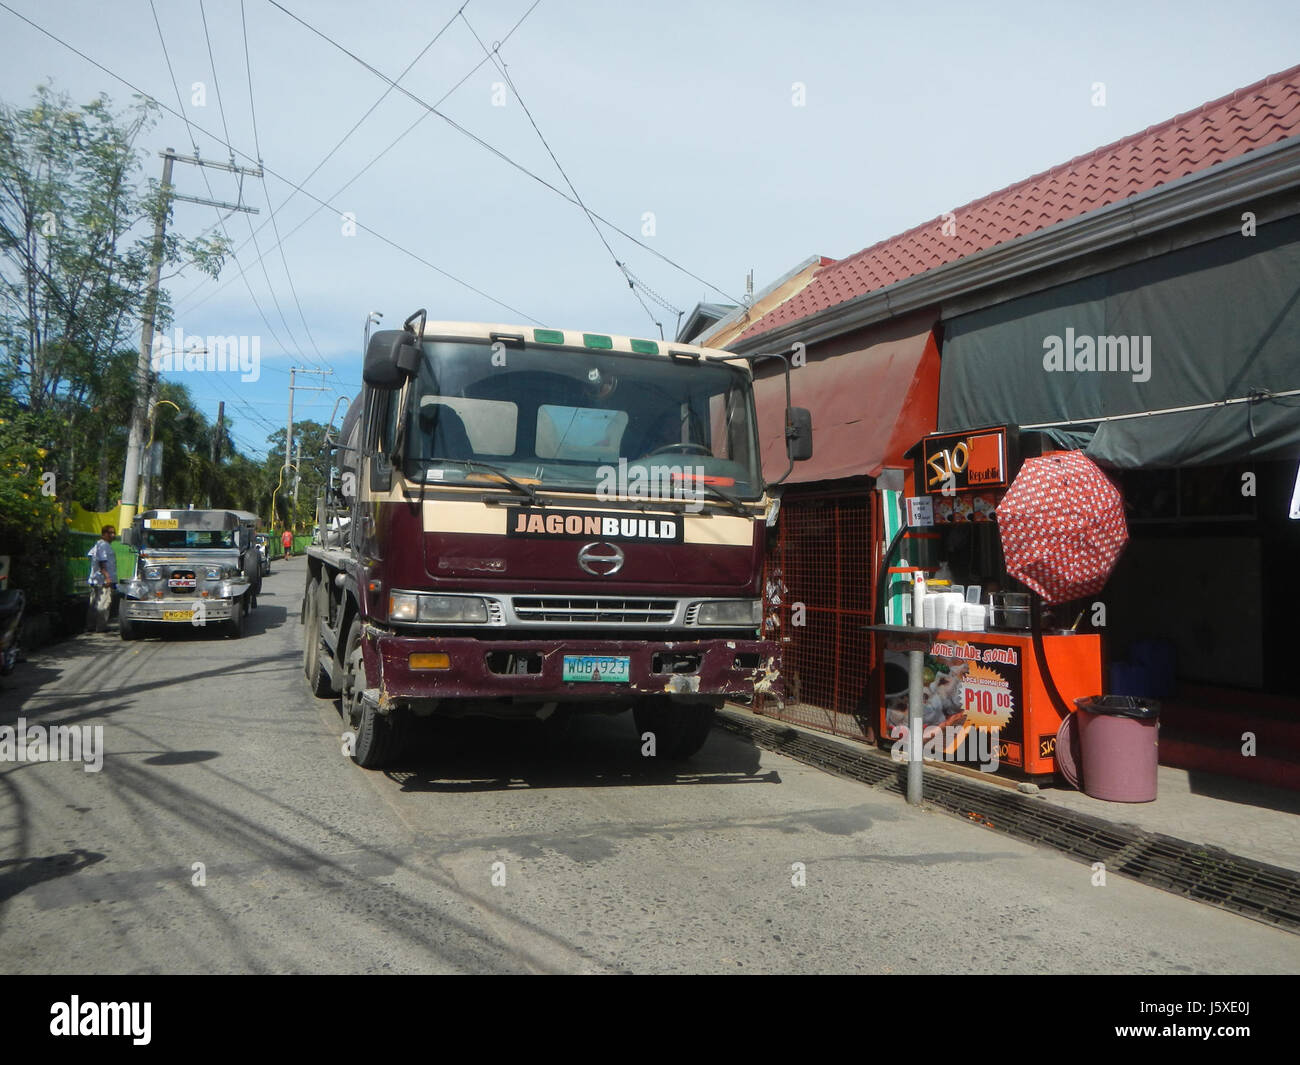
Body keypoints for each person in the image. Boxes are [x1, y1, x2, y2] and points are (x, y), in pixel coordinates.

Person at [86, 525, 117, 633]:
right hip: (103, 580)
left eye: (114, 533)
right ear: (104, 534)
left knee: (94, 603)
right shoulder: (103, 545)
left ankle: (91, 625)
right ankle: (101, 626)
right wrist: (107, 577)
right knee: (103, 603)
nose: (113, 535)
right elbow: (102, 561)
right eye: (110, 533)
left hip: (96, 579)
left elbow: (90, 555)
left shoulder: (98, 545)